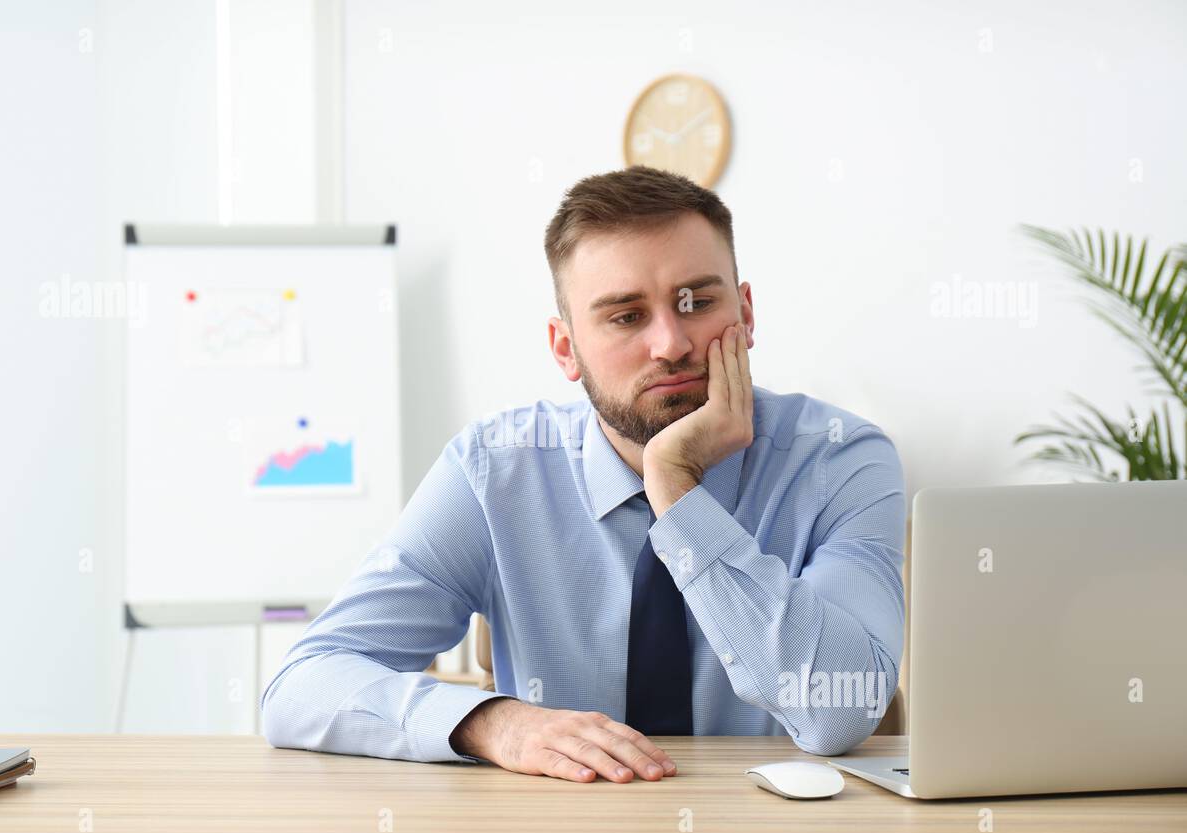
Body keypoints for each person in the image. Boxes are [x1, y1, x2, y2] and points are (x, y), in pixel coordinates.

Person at [261, 165, 906, 783]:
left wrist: (677, 492)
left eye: (697, 302)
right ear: (566, 348)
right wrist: (493, 724)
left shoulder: (840, 458)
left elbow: (842, 708)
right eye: (626, 316)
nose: (670, 344)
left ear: (746, 314)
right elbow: (303, 685)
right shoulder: (494, 469)